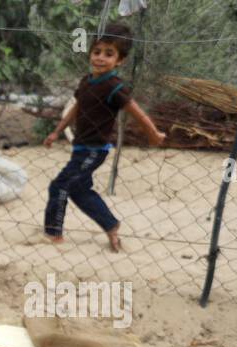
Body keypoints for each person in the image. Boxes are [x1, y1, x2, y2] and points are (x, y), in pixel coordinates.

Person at [43, 23, 165, 251]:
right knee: (79, 190)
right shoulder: (86, 81)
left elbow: (135, 111)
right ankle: (111, 225)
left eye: (109, 54)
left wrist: (153, 133)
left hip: (95, 150)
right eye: (97, 52)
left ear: (119, 61)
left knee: (59, 186)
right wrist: (57, 131)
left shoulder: (114, 87)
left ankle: (53, 234)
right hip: (80, 148)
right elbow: (76, 108)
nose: (100, 58)